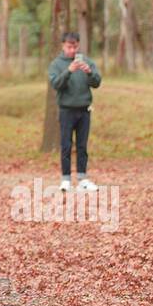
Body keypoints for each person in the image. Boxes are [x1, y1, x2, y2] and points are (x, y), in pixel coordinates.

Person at [46, 32, 101, 191]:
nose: (72, 50)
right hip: (66, 110)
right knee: (66, 145)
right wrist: (69, 71)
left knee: (82, 146)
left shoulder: (87, 61)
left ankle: (83, 179)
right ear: (63, 46)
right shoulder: (56, 64)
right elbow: (56, 84)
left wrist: (89, 72)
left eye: (75, 46)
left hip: (84, 110)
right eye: (69, 47)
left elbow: (97, 83)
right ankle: (65, 180)